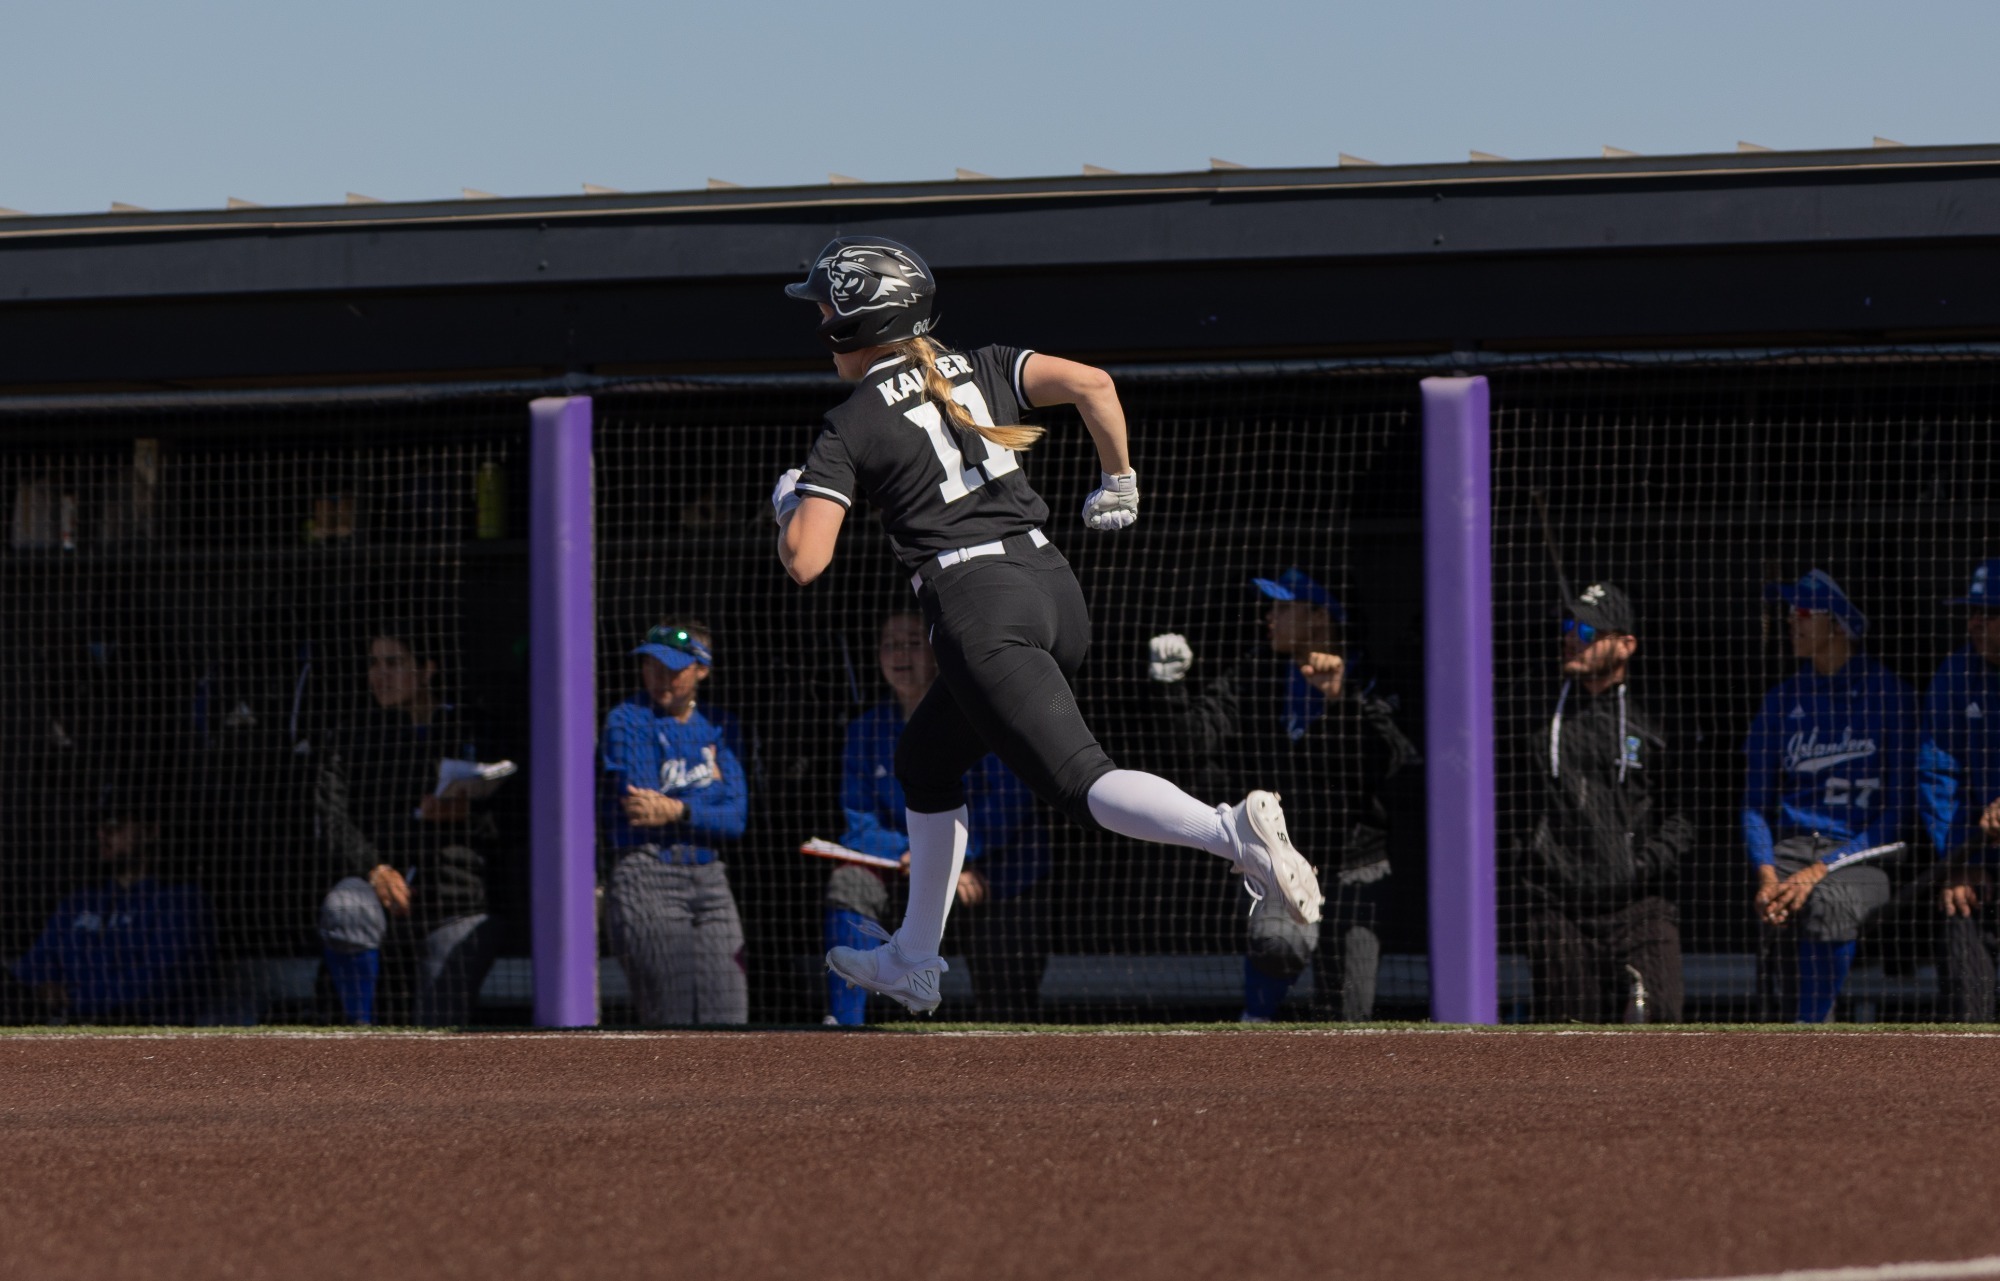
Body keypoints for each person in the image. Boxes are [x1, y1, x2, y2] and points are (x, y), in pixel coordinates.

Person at [772, 235, 1322, 1015]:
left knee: (1078, 780)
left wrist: (790, 499)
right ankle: (915, 957)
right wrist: (1119, 479)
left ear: (852, 323)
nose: (818, 319)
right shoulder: (985, 362)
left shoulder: (853, 418)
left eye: (824, 307)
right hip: (1052, 588)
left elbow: (805, 560)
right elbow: (1095, 384)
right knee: (925, 761)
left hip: (976, 601)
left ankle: (1230, 829)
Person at [1146, 569, 1417, 1021]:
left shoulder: (1367, 678)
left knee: (1349, 1013)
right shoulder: (1255, 673)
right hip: (1276, 857)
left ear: (1320, 616)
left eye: (1285, 608)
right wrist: (1169, 687)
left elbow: (1391, 763)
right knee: (1277, 946)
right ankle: (1257, 1021)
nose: (1270, 617)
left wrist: (1339, 701)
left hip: (1357, 867)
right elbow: (1193, 742)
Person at [827, 612, 1051, 1024]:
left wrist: (954, 860)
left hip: (988, 875)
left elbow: (1009, 804)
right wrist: (918, 856)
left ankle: (1009, 1035)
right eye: (889, 645)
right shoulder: (863, 731)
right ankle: (844, 1022)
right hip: (903, 872)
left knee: (1008, 1001)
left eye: (913, 642)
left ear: (936, 653)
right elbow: (859, 822)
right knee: (848, 881)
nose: (900, 654)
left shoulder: (981, 716)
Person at [1513, 582, 1692, 1023]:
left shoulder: (1657, 719)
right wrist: (1533, 859)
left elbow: (1685, 812)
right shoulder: (1532, 708)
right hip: (1559, 904)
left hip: (1640, 903)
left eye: (1589, 631)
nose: (1572, 637)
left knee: (1660, 1013)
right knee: (1569, 1039)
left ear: (1626, 644)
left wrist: (1641, 865)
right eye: (1570, 625)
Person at [1744, 570, 1916, 1023]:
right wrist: (1766, 874)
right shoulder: (1782, 700)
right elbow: (1754, 805)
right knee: (1772, 903)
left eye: (1803, 613)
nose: (1790, 622)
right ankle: (1781, 1031)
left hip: (1865, 857)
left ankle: (1814, 1031)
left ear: (1839, 625)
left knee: (1829, 899)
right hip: (1790, 852)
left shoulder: (1891, 696)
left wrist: (1822, 869)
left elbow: (1900, 811)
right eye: (1788, 613)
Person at [315, 626, 504, 1026]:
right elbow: (331, 821)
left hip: (456, 904)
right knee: (344, 908)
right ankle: (359, 1036)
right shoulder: (350, 737)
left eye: (394, 663)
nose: (379, 675)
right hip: (377, 889)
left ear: (426, 670)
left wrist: (467, 813)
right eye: (374, 663)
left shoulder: (473, 728)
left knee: (436, 1033)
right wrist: (374, 867)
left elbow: (514, 819)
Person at [599, 621, 750, 1025]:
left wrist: (680, 810)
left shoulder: (719, 726)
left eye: (673, 667)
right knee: (672, 1018)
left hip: (710, 876)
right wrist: (709, 795)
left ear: (701, 669)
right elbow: (642, 804)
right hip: (648, 872)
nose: (660, 677)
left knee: (731, 1017)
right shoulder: (627, 719)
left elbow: (736, 819)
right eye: (651, 665)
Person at [13, 799, 213, 1024]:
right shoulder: (79, 902)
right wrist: (44, 987)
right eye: (99, 826)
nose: (103, 833)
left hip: (146, 1038)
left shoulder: (179, 902)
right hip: (67, 1034)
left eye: (115, 824)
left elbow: (156, 985)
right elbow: (32, 965)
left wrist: (72, 998)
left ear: (150, 831)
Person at [1920, 559, 2000, 1020]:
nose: (1975, 621)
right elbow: (1938, 773)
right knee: (1969, 1016)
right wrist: (1959, 862)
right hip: (1977, 867)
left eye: (1988, 612)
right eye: (1973, 610)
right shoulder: (1957, 672)